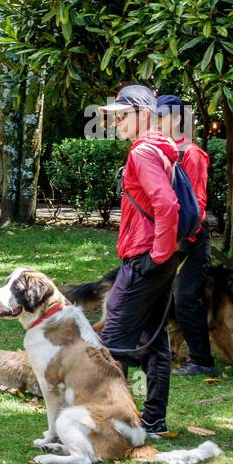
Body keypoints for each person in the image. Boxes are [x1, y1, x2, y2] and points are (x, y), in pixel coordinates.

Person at [98, 84, 182, 436]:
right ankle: (153, 420)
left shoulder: (143, 152)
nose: (116, 121)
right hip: (156, 258)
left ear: (143, 115)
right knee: (154, 341)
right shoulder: (161, 149)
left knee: (111, 343)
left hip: (145, 258)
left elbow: (166, 205)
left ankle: (113, 424)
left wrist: (157, 254)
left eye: (122, 114)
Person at [158, 93, 214, 377]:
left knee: (185, 296)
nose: (156, 122)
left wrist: (182, 238)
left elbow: (198, 203)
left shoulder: (190, 153)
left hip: (189, 237)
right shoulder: (160, 149)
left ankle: (202, 361)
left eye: (162, 116)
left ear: (178, 118)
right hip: (166, 235)